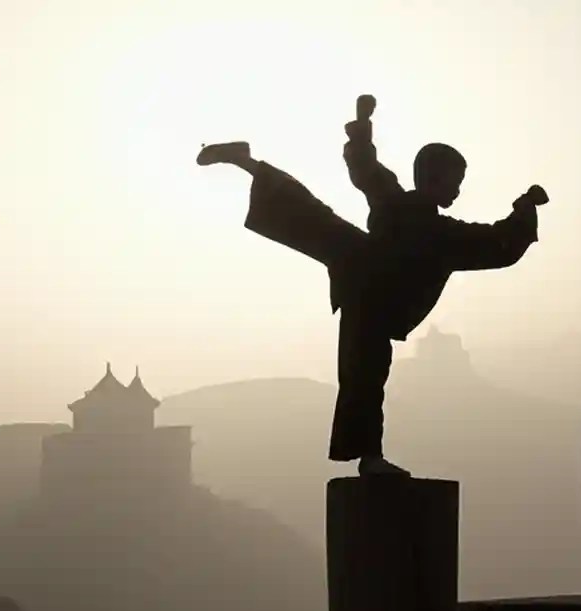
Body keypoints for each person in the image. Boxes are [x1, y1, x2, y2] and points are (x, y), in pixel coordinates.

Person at [196, 95, 546, 476]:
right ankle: (370, 458)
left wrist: (363, 124)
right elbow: (497, 244)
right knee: (364, 378)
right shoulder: (442, 233)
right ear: (436, 179)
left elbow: (365, 167)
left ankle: (247, 162)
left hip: (357, 275)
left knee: (304, 211)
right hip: (369, 294)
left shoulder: (396, 201)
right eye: (455, 182)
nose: (457, 191)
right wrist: (525, 210)